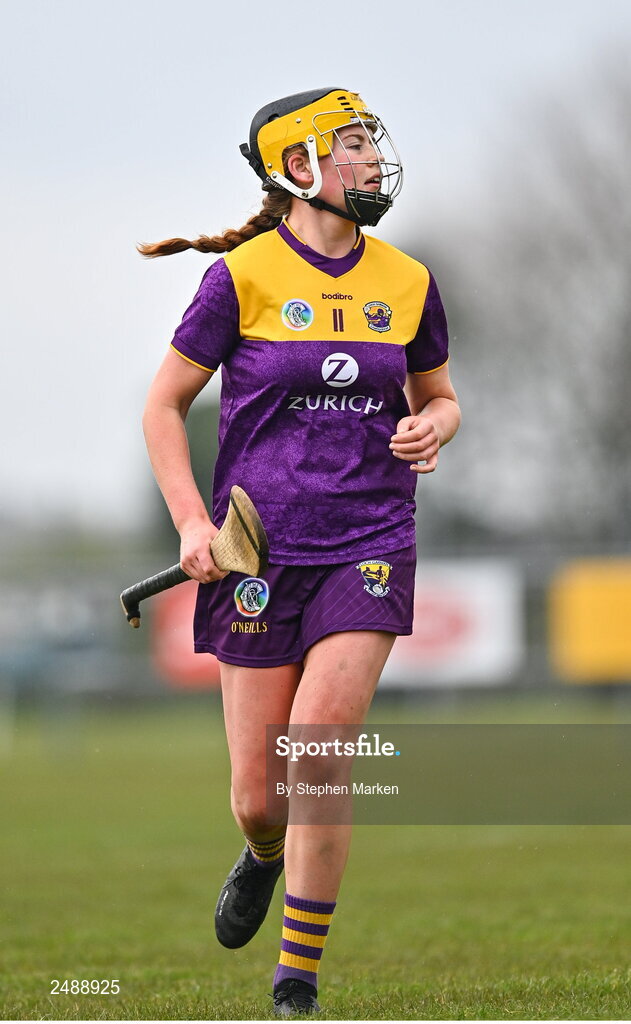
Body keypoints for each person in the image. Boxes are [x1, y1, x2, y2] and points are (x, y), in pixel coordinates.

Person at [140, 87, 461, 1017]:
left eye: (368, 142)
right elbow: (163, 407)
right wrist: (192, 525)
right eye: (350, 144)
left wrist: (435, 425)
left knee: (318, 748)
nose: (370, 159)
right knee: (258, 796)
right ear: (298, 168)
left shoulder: (408, 280)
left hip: (369, 539)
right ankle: (262, 853)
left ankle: (295, 983)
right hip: (256, 555)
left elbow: (439, 395)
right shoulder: (239, 278)